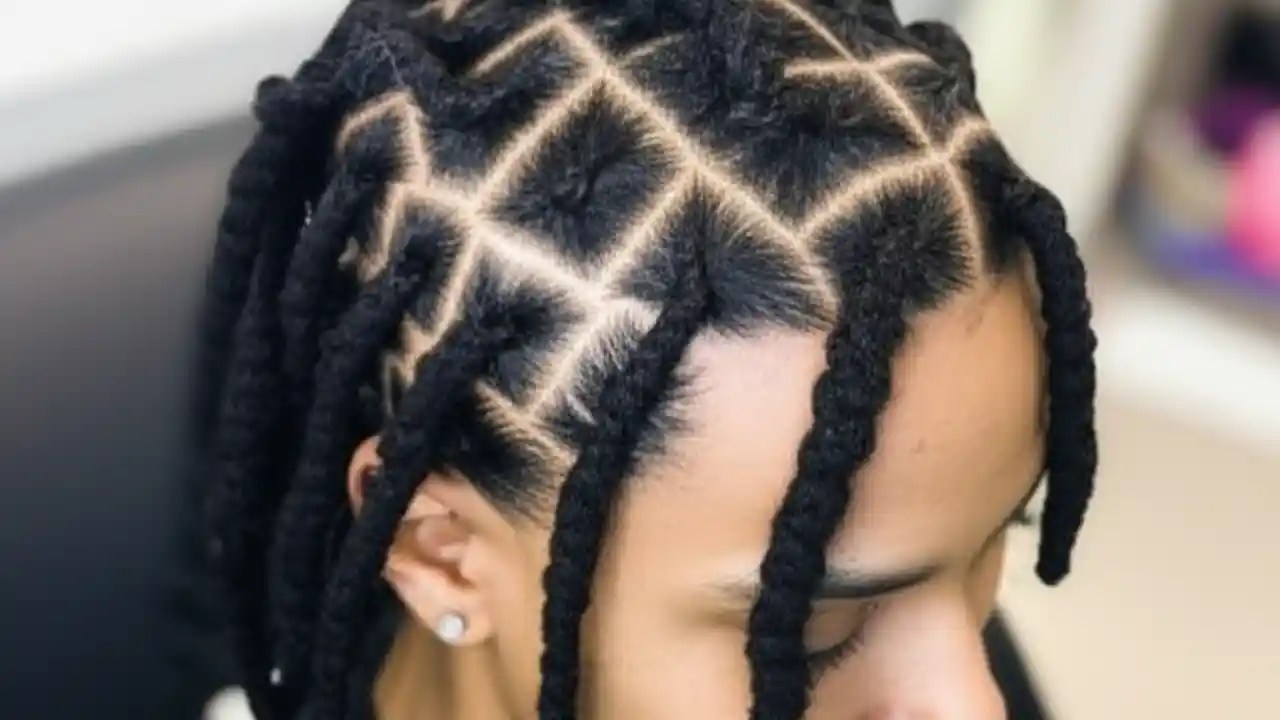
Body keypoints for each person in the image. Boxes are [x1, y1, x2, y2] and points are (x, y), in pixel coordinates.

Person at [196, 0, 1097, 718]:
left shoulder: (935, 633)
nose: (976, 702)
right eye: (810, 630)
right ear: (441, 554)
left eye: (996, 541)